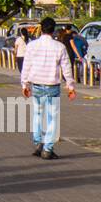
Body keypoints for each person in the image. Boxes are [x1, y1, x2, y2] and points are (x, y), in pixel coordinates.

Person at [20, 17, 77, 159]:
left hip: (37, 84)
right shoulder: (59, 47)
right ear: (53, 30)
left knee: (37, 115)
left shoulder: (32, 46)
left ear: (41, 28)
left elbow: (26, 66)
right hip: (52, 85)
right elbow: (66, 68)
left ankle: (38, 142)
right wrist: (70, 86)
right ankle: (47, 148)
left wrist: (24, 84)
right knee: (52, 118)